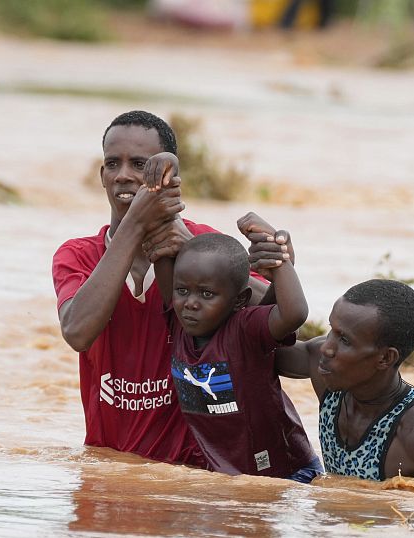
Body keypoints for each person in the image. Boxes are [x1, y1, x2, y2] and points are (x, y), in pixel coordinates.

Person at [52, 110, 267, 466]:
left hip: (192, 473)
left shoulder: (205, 245)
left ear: (169, 178)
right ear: (102, 176)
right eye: (112, 164)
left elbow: (271, 316)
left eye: (140, 165)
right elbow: (77, 332)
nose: (123, 175)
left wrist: (190, 252)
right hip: (109, 467)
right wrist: (135, 223)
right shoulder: (77, 255)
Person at [245, 226, 414, 486]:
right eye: (331, 330)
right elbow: (252, 350)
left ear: (385, 359)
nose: (326, 347)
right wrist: (280, 269)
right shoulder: (325, 368)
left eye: (344, 340)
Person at [147, 210, 322, 483]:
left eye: (207, 294)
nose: (191, 302)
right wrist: (159, 178)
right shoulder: (179, 323)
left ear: (240, 300)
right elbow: (161, 242)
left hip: (288, 474)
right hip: (231, 477)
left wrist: (280, 259)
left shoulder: (244, 328)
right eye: (183, 291)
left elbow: (294, 314)